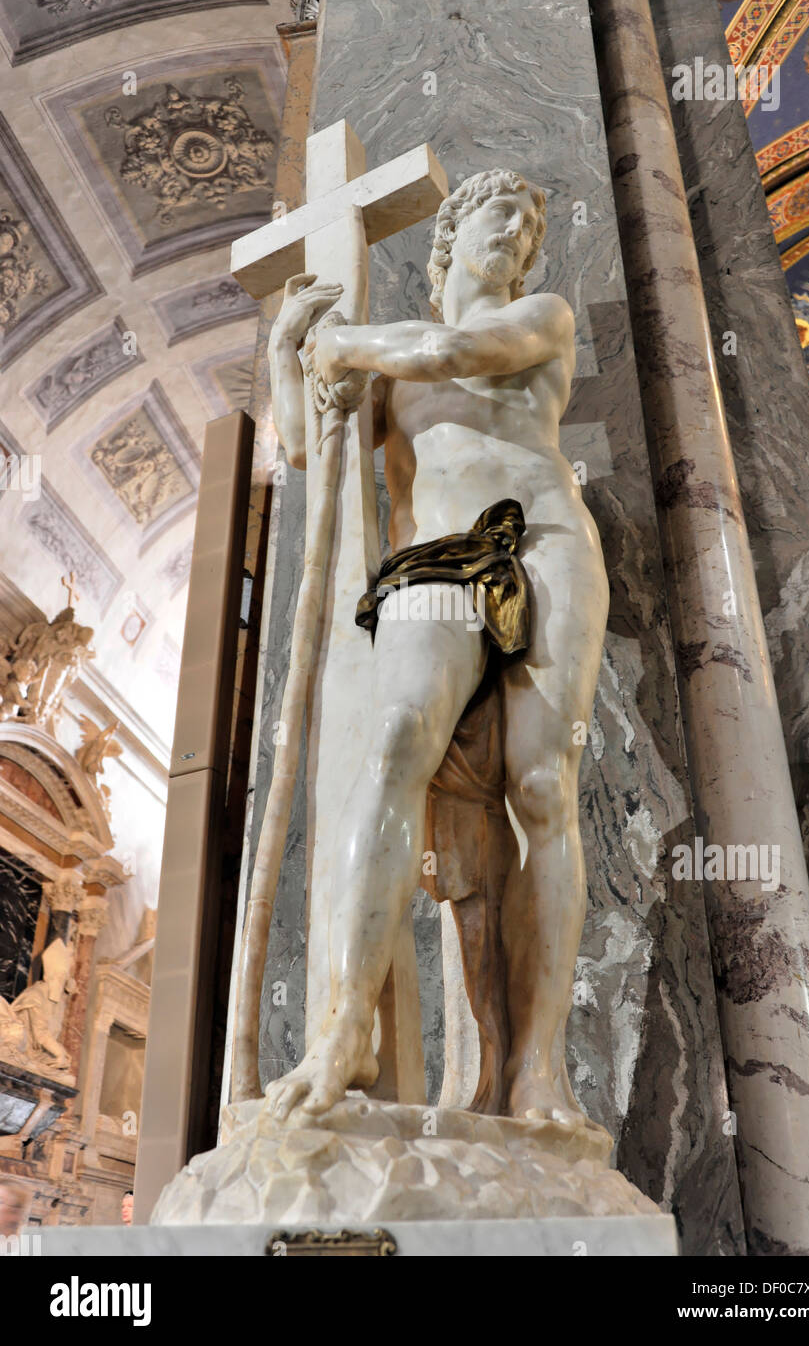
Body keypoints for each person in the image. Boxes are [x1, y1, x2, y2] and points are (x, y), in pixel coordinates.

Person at [265, 169, 608, 1126]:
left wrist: (342, 346)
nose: (522, 228)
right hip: (432, 564)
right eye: (504, 211)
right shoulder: (382, 377)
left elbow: (453, 346)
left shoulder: (540, 315)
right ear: (449, 237)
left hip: (544, 540)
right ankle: (343, 1032)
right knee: (395, 746)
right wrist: (286, 353)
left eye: (534, 219)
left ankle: (537, 1073)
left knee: (545, 790)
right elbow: (308, 449)